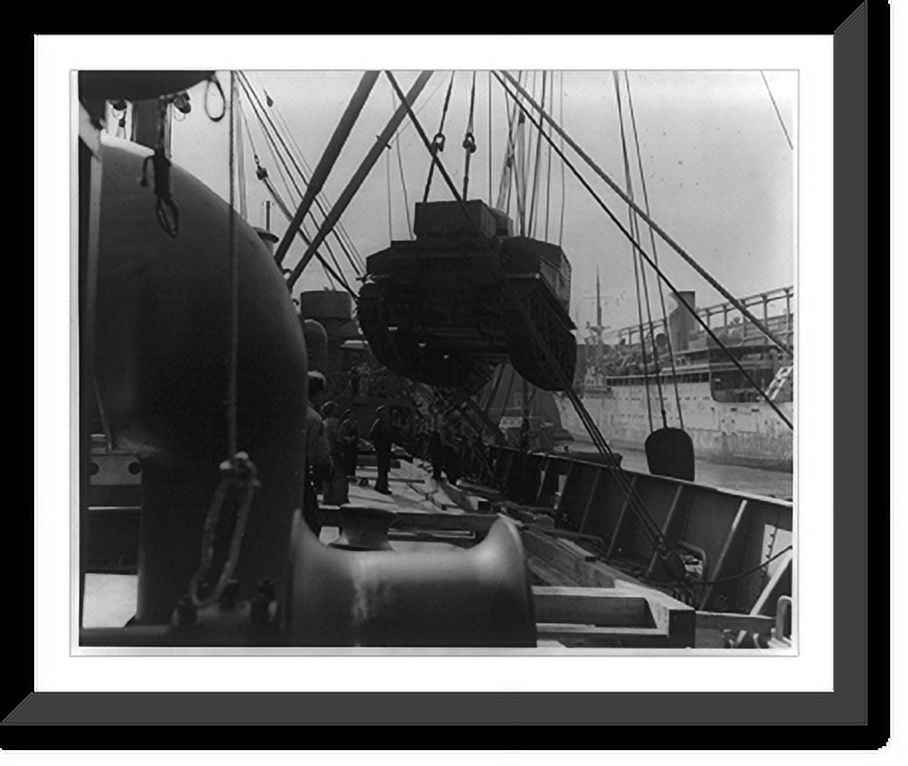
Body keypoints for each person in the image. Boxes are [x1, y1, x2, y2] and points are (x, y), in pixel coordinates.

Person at [302, 372, 333, 534]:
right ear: (319, 393)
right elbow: (319, 457)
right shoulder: (313, 419)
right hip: (300, 478)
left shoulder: (282, 411)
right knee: (311, 524)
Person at [140, 145, 180, 236]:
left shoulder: (158, 160)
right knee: (163, 202)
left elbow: (147, 160)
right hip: (163, 186)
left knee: (165, 202)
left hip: (161, 186)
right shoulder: (163, 161)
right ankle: (172, 224)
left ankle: (173, 224)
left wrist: (144, 176)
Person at [321, 401, 349, 505]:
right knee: (339, 476)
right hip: (336, 452)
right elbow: (339, 437)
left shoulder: (323, 422)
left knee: (328, 476)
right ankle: (338, 498)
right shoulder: (335, 423)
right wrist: (347, 440)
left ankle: (328, 497)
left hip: (326, 452)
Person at [368, 406, 393, 495]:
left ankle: (379, 486)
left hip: (386, 448)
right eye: (383, 413)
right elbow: (372, 434)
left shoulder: (384, 423)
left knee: (384, 468)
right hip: (382, 449)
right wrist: (378, 444)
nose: (385, 415)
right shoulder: (378, 423)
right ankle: (382, 487)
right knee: (382, 469)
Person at [337, 409, 360, 479]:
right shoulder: (345, 423)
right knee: (347, 460)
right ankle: (347, 474)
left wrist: (355, 438)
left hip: (353, 445)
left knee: (353, 460)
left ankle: (352, 474)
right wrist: (347, 438)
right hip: (347, 445)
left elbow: (357, 433)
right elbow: (342, 433)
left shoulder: (355, 423)